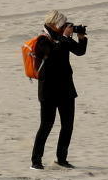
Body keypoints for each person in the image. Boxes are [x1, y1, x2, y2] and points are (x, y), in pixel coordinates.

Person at [30, 10, 88, 169]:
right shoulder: (42, 40)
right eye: (62, 24)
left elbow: (80, 51)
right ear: (52, 24)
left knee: (67, 125)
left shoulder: (62, 39)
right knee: (46, 125)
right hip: (48, 91)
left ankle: (61, 159)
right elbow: (52, 54)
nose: (65, 27)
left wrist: (81, 38)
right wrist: (64, 37)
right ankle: (36, 161)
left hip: (66, 89)